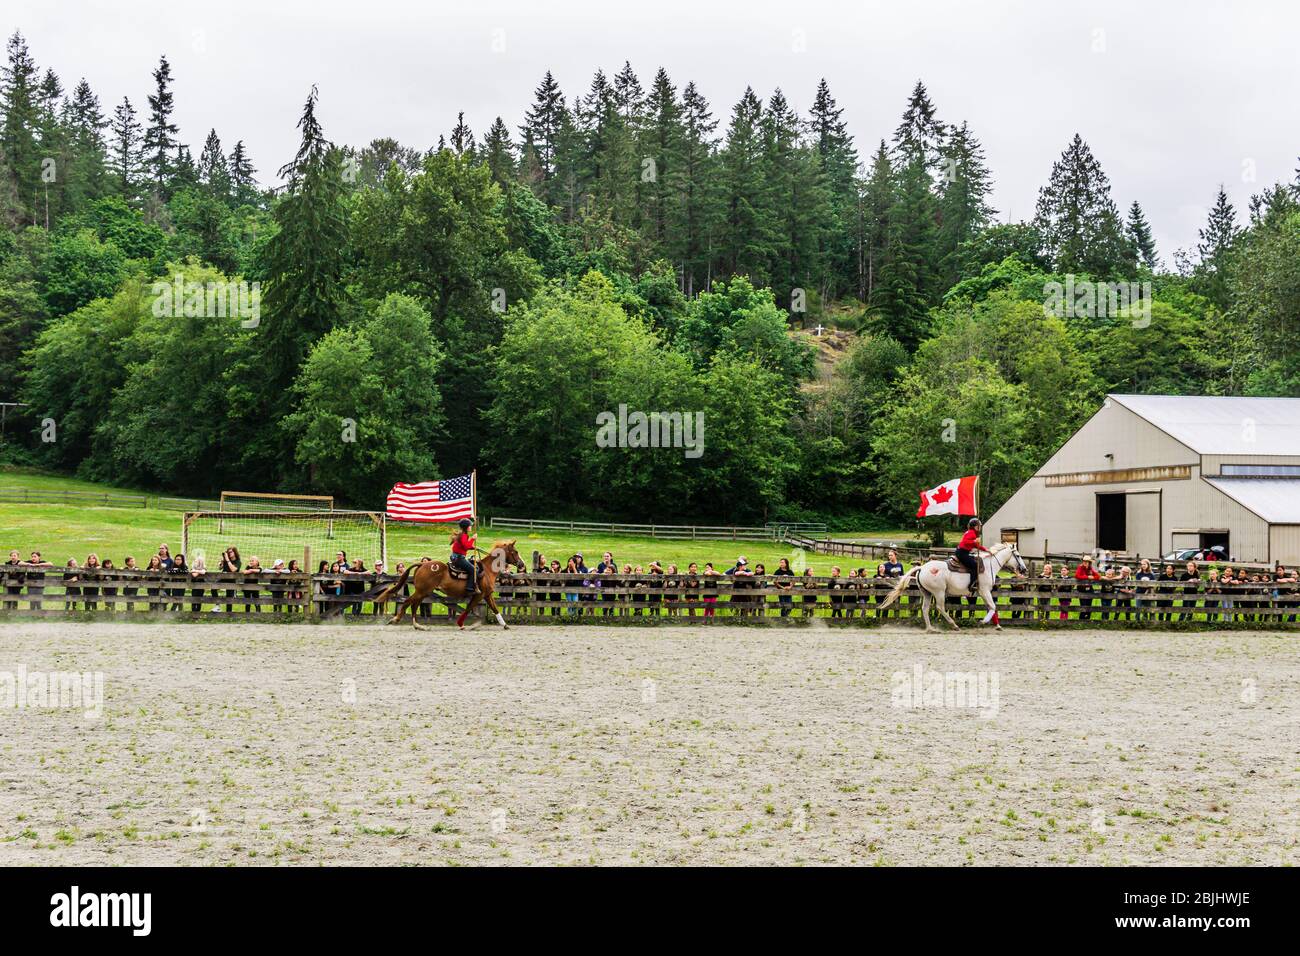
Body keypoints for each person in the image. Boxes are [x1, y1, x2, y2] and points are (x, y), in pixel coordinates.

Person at [955, 519, 989, 595]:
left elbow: (976, 546)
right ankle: (971, 585)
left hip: (962, 552)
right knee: (975, 566)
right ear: (976, 526)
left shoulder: (971, 532)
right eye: (979, 526)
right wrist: (974, 541)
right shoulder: (972, 533)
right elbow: (965, 542)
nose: (980, 527)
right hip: (962, 553)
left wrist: (986, 550)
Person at [449, 518, 477, 595]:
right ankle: (469, 587)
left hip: (456, 557)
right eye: (470, 526)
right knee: (474, 570)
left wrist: (473, 547)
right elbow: (465, 546)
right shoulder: (464, 536)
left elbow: (463, 546)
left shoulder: (462, 535)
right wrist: (473, 539)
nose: (471, 527)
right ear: (466, 527)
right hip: (459, 558)